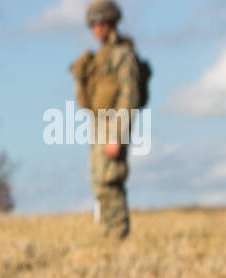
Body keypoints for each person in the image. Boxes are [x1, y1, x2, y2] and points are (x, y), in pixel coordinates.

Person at [71, 1, 142, 240]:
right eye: (93, 24)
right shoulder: (102, 56)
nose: (97, 28)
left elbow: (128, 97)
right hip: (100, 125)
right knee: (100, 181)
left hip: (113, 125)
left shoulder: (122, 54)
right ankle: (111, 235)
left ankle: (118, 236)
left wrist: (117, 136)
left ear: (111, 24)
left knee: (110, 180)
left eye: (101, 23)